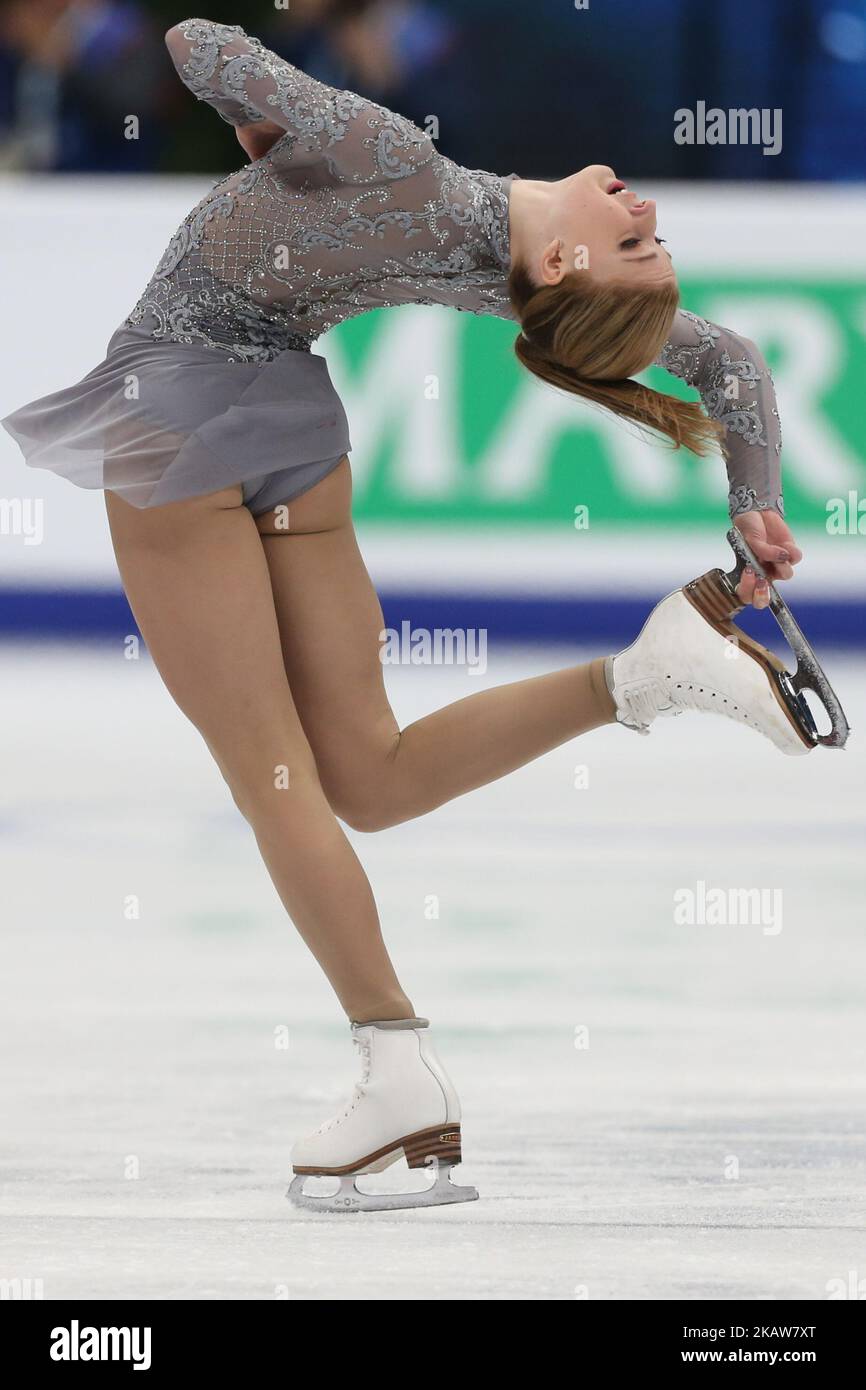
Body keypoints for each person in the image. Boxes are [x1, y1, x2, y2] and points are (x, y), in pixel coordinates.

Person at [2, 19, 806, 1212]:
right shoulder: (490, 263)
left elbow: (197, 40)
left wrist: (275, 121)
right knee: (366, 781)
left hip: (180, 404)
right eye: (652, 237)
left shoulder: (395, 160)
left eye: (635, 244)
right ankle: (634, 680)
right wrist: (753, 510)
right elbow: (728, 362)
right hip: (291, 425)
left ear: (571, 273)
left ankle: (393, 1069)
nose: (645, 216)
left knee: (274, 779)